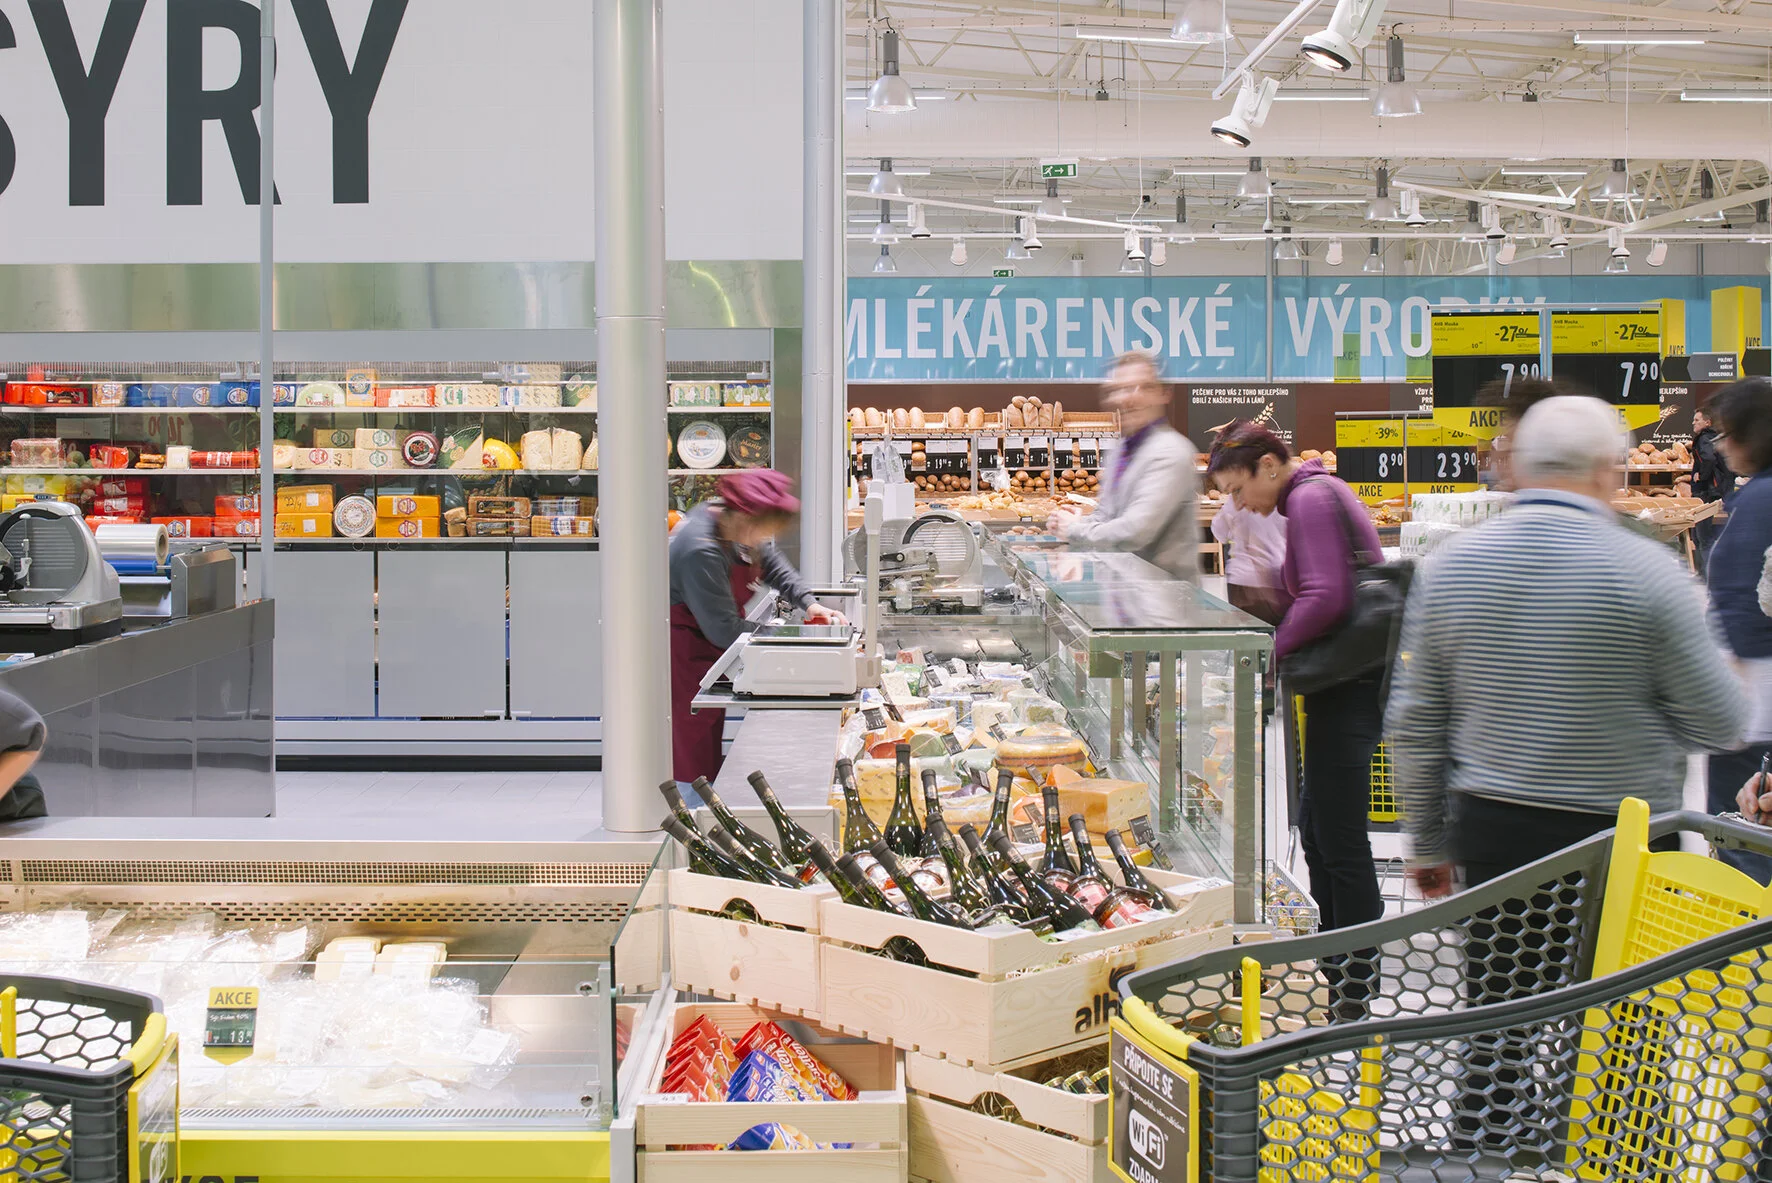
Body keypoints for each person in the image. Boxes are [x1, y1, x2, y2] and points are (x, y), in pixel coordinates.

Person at [1386, 395, 1745, 1152]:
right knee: (1624, 1035)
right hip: (1622, 845)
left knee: (1496, 1029)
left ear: (1518, 466)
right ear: (1608, 471)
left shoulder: (1453, 566)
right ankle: (1615, 1155)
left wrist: (1424, 839)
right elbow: (1722, 722)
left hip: (1493, 831)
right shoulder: (1647, 571)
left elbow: (1416, 720)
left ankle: (1482, 1155)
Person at [1207, 422, 1384, 944]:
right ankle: (1334, 955)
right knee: (1316, 827)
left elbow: (1326, 596)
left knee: (1339, 838)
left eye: (1238, 490)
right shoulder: (1312, 495)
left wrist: (1268, 652)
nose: (1237, 506)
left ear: (1268, 465)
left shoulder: (1309, 498)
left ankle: (1353, 978)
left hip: (1350, 687)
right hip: (1344, 684)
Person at [668, 470, 846, 783]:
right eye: (763, 531)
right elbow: (724, 629)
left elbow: (773, 563)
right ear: (745, 519)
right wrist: (797, 639)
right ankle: (693, 814)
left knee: (708, 731)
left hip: (714, 640)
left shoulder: (731, 522)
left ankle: (708, 803)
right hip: (685, 648)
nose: (763, 541)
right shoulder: (701, 550)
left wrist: (811, 604)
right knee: (691, 739)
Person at [1046, 351, 1199, 582]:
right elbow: (1107, 514)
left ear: (1164, 394)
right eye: (1121, 389)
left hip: (1163, 607)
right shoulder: (1121, 450)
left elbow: (1135, 532)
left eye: (1144, 387)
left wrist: (1074, 530)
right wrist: (1073, 521)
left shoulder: (1171, 452)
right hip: (1123, 599)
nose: (1130, 398)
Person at [1703, 378, 1772, 882]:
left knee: (1742, 825)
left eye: (1726, 434)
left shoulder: (1762, 499)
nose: (1720, 446)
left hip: (1754, 697)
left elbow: (1742, 599)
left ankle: (1741, 944)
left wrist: (1734, 686)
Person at [1208, 473, 1287, 625]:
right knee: (1279, 634)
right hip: (1280, 576)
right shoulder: (1284, 493)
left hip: (1244, 580)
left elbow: (1219, 531)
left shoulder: (1238, 495)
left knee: (1247, 638)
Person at [1692, 403, 1736, 575]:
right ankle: (1706, 573)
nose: (1693, 423)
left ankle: (1709, 576)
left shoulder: (1704, 438)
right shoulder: (1716, 438)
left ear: (1707, 422)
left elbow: (1708, 459)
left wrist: (1700, 476)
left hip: (1707, 491)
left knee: (1703, 536)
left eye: (1697, 420)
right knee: (1702, 535)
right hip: (1716, 491)